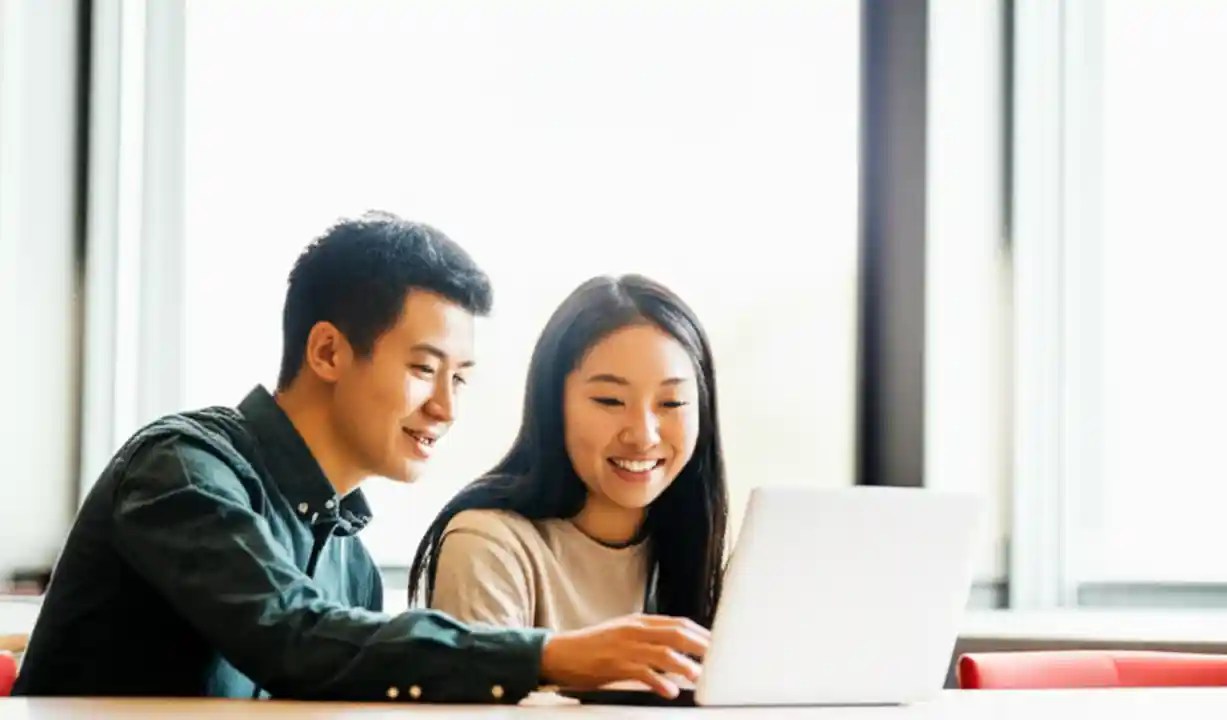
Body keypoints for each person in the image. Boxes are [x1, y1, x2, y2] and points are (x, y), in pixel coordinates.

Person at [15, 213, 707, 702]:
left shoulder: (350, 565)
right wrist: (553, 654)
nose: (445, 407)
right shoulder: (181, 469)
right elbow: (289, 636)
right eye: (423, 368)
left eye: (459, 378)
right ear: (327, 352)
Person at [409, 275, 728, 697]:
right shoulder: (489, 543)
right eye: (610, 401)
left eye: (671, 404)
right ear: (553, 405)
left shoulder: (698, 546)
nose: (644, 434)